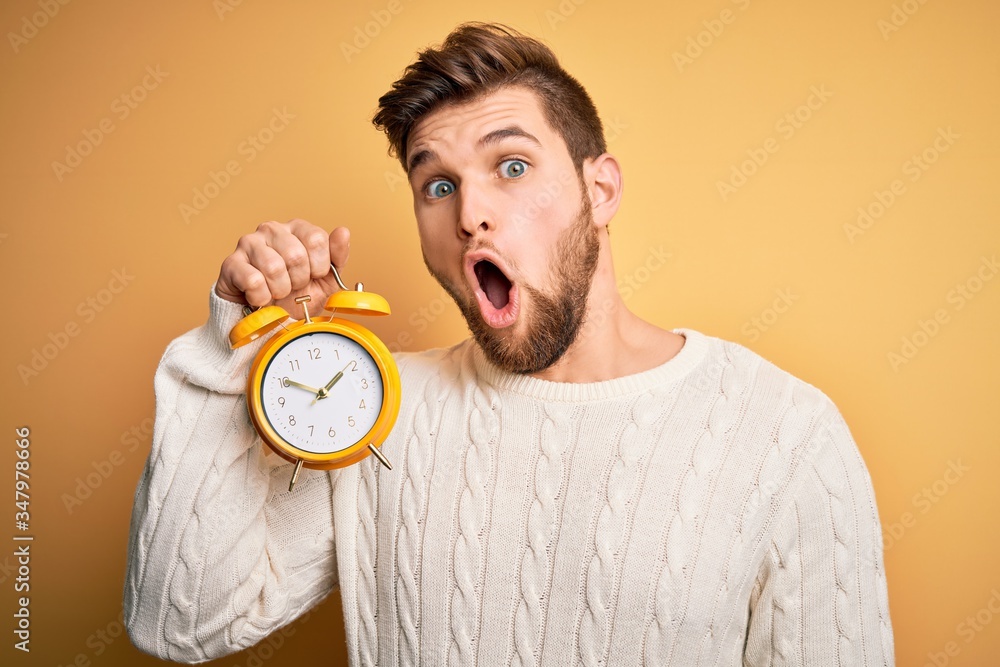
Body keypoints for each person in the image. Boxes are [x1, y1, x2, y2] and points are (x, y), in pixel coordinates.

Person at [124, 22, 894, 666]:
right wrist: (234, 339)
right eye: (437, 184)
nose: (470, 215)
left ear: (601, 191)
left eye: (513, 166)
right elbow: (180, 621)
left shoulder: (785, 433)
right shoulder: (375, 414)